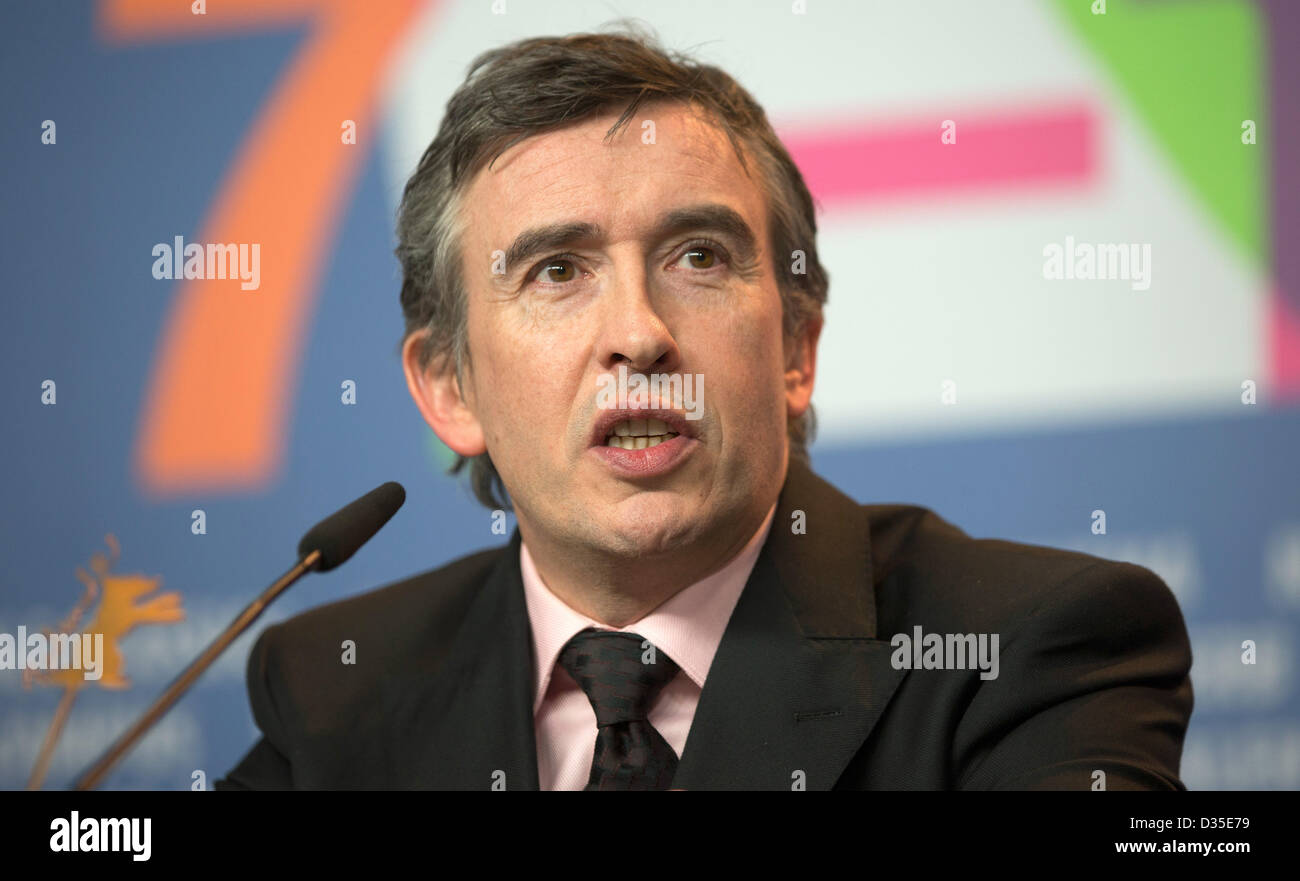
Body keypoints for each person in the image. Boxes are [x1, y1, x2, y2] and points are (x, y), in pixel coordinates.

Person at [216, 27, 1193, 791]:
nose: (638, 334)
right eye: (557, 270)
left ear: (795, 351)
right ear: (449, 388)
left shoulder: (1033, 650)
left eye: (698, 258)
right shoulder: (338, 688)